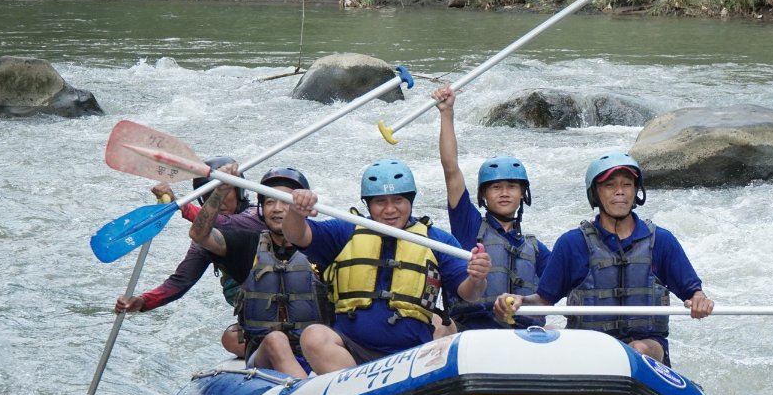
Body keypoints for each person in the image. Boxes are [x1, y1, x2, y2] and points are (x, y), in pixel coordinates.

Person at [494, 152, 714, 364]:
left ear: (636, 191)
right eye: (610, 185)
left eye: (627, 184)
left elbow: (694, 293)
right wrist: (521, 301)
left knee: (638, 349)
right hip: (589, 346)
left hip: (647, 346)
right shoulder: (572, 244)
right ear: (595, 193)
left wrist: (699, 300)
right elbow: (543, 300)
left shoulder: (662, 241)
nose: (620, 192)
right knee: (550, 334)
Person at [281, 159, 493, 374]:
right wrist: (297, 212)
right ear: (368, 204)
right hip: (352, 351)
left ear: (410, 200)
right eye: (380, 202)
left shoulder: (436, 240)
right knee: (313, 336)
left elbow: (470, 294)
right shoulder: (345, 230)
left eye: (398, 200)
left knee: (447, 332)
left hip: (412, 353)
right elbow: (296, 234)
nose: (390, 210)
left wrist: (477, 278)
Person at [112, 156, 263, 357]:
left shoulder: (258, 217)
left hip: (286, 308)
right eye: (208, 195)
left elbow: (225, 225)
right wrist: (142, 301)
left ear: (239, 190)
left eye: (223, 192)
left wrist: (178, 205)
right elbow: (180, 282)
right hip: (255, 318)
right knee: (230, 339)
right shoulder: (206, 240)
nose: (215, 201)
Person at [187, 166, 330, 378]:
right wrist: (220, 192)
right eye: (270, 202)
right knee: (276, 339)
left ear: (301, 207)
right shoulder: (247, 244)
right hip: (266, 355)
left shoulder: (325, 244)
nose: (277, 208)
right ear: (261, 209)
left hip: (315, 348)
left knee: (318, 336)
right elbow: (199, 235)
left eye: (285, 201)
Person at [432, 84, 551, 330]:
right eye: (496, 188)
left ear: (522, 194)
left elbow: (551, 294)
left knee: (552, 330)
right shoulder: (469, 225)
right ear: (484, 195)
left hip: (523, 332)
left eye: (512, 187)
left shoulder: (537, 250)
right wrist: (446, 113)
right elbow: (451, 169)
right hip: (472, 329)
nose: (505, 193)